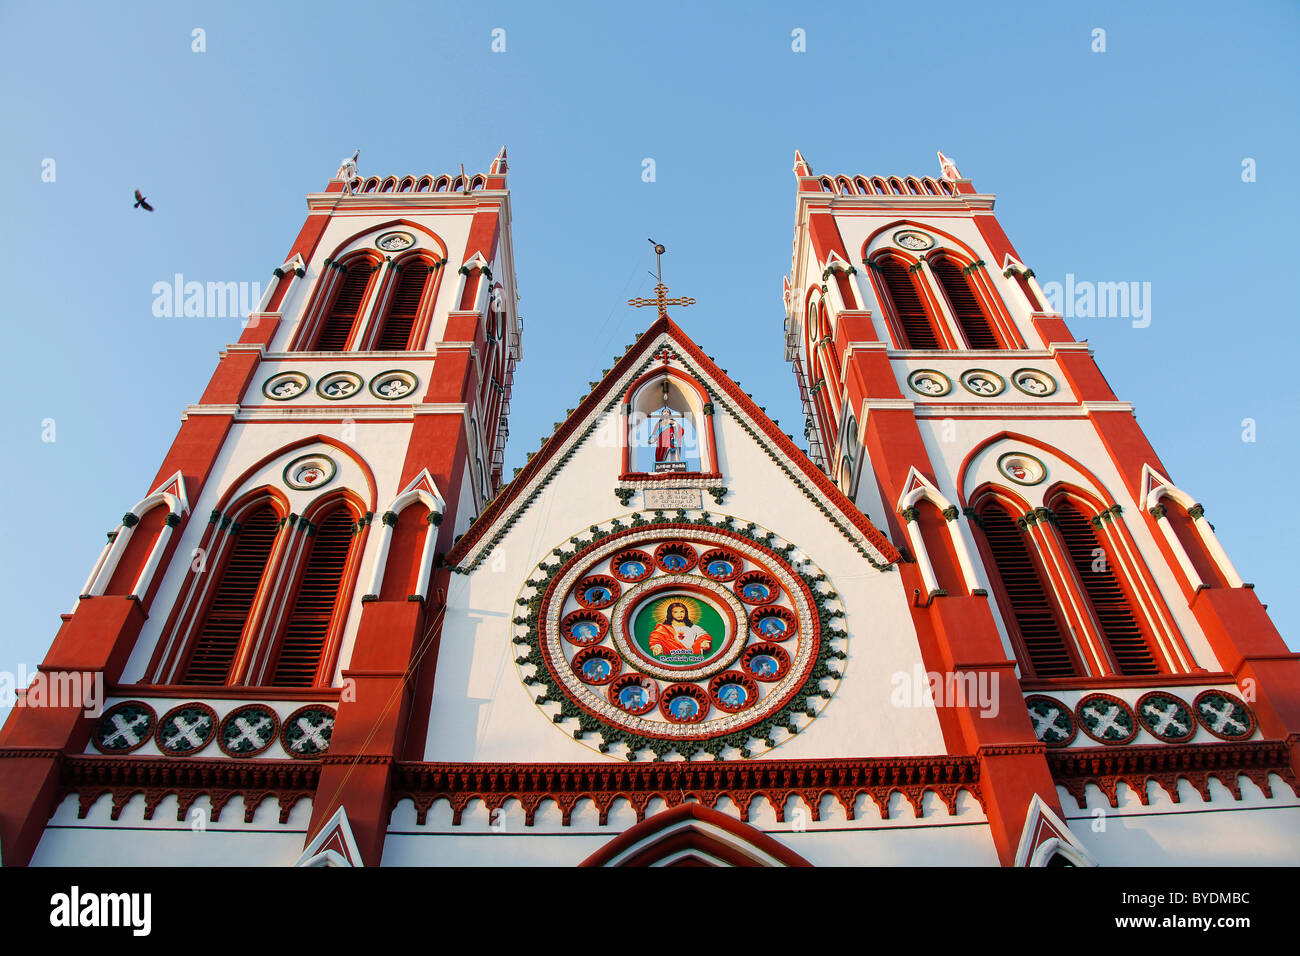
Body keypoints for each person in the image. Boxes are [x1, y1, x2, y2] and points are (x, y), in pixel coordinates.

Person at [648, 602, 714, 658]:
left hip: (690, 657)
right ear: (670, 613)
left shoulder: (694, 628)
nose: (679, 614)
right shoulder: (664, 628)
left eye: (682, 612)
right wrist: (658, 646)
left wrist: (704, 642)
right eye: (675, 612)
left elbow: (703, 636)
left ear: (686, 613)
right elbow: (656, 638)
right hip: (671, 657)